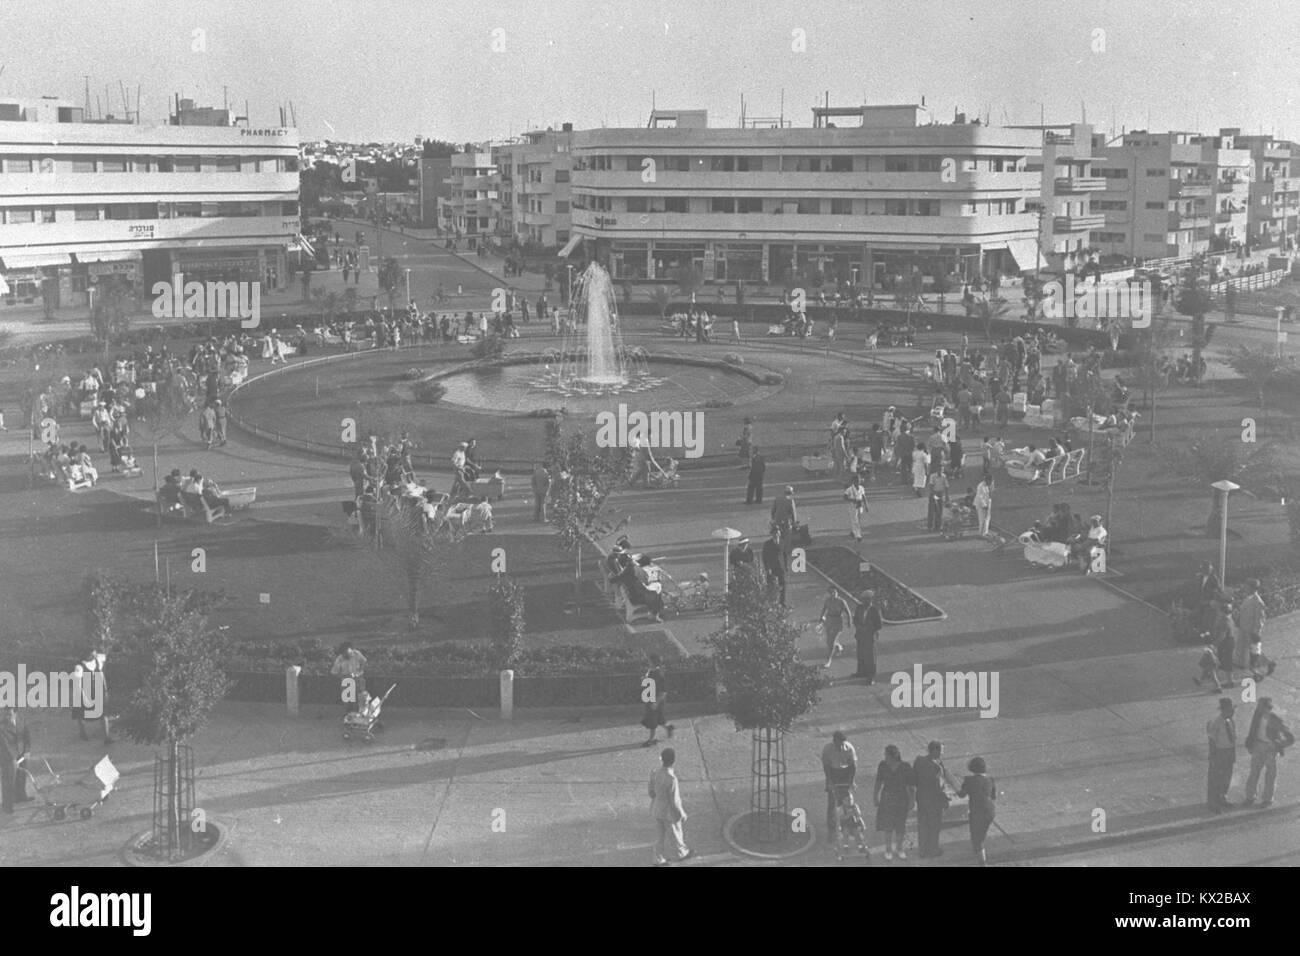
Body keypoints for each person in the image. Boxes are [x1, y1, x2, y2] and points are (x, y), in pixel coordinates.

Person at [1244, 698, 1294, 809]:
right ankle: (1250, 796)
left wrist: (1278, 744)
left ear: (1267, 707)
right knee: (1254, 772)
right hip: (1258, 745)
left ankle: (1267, 798)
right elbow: (1252, 730)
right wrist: (1250, 744)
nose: (1258, 708)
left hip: (1270, 749)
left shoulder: (1275, 719)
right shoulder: (1257, 716)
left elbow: (1290, 738)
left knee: (1270, 775)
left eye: (1261, 706)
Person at [649, 747, 692, 865]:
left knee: (659, 836)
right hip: (668, 812)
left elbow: (651, 792)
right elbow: (674, 800)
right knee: (676, 833)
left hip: (656, 808)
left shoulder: (654, 773)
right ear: (673, 761)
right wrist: (681, 813)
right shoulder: (671, 779)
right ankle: (681, 853)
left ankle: (658, 859)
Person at [873, 744, 913, 860]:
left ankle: (899, 848)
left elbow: (911, 786)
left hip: (902, 799)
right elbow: (878, 782)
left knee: (900, 826)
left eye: (887, 755)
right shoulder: (883, 766)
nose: (885, 757)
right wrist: (875, 797)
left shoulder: (905, 766)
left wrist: (912, 800)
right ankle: (888, 850)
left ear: (893, 756)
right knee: (888, 826)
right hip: (887, 798)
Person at [912, 741, 951, 858]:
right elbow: (939, 786)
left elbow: (914, 778)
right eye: (940, 751)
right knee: (934, 827)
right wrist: (946, 798)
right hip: (935, 801)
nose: (942, 754)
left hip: (921, 798)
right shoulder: (936, 767)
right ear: (934, 750)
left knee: (922, 825)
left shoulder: (918, 760)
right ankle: (933, 850)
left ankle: (922, 850)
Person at [959, 757, 997, 865]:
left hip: (976, 812)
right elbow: (994, 796)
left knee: (976, 837)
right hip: (990, 811)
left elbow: (961, 794)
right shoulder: (990, 779)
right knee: (981, 834)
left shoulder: (969, 780)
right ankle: (979, 851)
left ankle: (982, 861)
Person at [821, 730, 857, 842]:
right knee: (832, 804)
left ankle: (850, 828)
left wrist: (851, 781)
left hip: (845, 773)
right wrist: (830, 781)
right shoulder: (827, 749)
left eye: (842, 743)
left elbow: (853, 766)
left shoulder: (849, 748)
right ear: (834, 741)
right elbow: (826, 766)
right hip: (833, 773)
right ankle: (831, 831)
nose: (840, 746)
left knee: (847, 802)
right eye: (838, 743)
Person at [1237, 579, 1274, 680]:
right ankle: (1266, 664)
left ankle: (1258, 670)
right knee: (1252, 651)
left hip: (1251, 631)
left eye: (1247, 587)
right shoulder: (1248, 598)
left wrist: (1256, 633)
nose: (1245, 588)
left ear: (1253, 588)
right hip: (1244, 628)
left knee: (1253, 652)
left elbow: (1260, 619)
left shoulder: (1258, 602)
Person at [72, 649, 111, 743]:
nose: (94, 654)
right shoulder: (79, 667)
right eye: (91, 653)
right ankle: (83, 732)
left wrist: (105, 690)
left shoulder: (98, 660)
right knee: (80, 713)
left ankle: (107, 737)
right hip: (85, 691)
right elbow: (78, 684)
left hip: (97, 689)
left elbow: (101, 675)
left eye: (94, 652)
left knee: (103, 713)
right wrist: (83, 697)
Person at [1206, 697, 1237, 813]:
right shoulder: (1216, 723)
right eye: (1230, 710)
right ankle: (1213, 803)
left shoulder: (1231, 721)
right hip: (1219, 752)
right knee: (1216, 778)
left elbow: (1233, 738)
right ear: (1223, 710)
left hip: (1229, 751)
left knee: (1227, 776)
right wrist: (1213, 756)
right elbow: (1212, 740)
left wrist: (1233, 753)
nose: (1232, 712)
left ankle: (1222, 797)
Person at [0, 707, 32, 813]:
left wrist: (27, 751)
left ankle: (21, 796)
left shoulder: (22, 721)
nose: (7, 717)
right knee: (9, 781)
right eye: (6, 715)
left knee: (22, 776)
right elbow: (5, 745)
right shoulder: (2, 726)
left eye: (9, 714)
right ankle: (7, 806)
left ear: (15, 713)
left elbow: (28, 736)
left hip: (21, 753)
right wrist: (13, 759)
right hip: (8, 756)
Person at [640, 655, 675, 746]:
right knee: (659, 719)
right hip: (651, 698)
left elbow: (663, 691)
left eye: (649, 661)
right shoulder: (651, 671)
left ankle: (651, 739)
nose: (648, 663)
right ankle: (668, 728)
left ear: (653, 662)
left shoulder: (659, 674)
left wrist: (656, 702)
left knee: (652, 720)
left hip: (656, 700)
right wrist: (644, 680)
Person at [852, 589, 882, 683]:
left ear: (871, 600)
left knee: (870, 657)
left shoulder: (875, 610)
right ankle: (861, 672)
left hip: (870, 636)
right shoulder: (859, 607)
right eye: (863, 599)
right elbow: (855, 619)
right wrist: (859, 627)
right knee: (860, 654)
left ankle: (871, 677)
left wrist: (868, 629)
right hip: (860, 635)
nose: (864, 601)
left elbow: (879, 625)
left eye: (867, 599)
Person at [819, 586, 852, 668]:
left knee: (832, 641)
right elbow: (824, 609)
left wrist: (849, 621)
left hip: (837, 621)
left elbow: (848, 612)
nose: (833, 594)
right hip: (829, 620)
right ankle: (837, 646)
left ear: (837, 592)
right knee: (828, 641)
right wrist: (821, 617)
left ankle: (828, 660)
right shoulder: (828, 600)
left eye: (835, 592)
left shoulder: (841, 601)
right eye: (831, 592)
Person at [330, 643, 368, 713]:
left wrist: (359, 671)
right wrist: (344, 677)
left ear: (351, 650)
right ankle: (348, 714)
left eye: (349, 653)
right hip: (347, 680)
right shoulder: (340, 659)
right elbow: (334, 672)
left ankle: (361, 713)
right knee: (347, 700)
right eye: (345, 654)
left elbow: (364, 662)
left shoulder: (357, 654)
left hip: (358, 679)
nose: (348, 655)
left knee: (360, 697)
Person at [770, 486, 797, 567]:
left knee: (777, 537)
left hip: (777, 521)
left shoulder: (777, 498)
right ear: (790, 493)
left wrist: (774, 518)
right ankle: (785, 553)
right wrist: (795, 523)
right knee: (787, 538)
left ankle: (777, 551)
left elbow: (773, 510)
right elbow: (793, 513)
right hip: (786, 522)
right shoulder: (790, 500)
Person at [761, 527, 786, 606]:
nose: (776, 535)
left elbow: (784, 555)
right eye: (774, 533)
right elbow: (765, 557)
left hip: (781, 568)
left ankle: (782, 602)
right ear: (771, 534)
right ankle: (771, 602)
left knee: (782, 585)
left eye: (777, 533)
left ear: (780, 534)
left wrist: (786, 566)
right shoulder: (767, 544)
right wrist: (767, 568)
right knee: (771, 585)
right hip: (771, 568)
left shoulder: (782, 542)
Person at [844, 473, 867, 540]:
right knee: (855, 520)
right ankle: (858, 535)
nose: (857, 481)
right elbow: (844, 498)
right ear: (853, 481)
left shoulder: (861, 488)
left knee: (858, 520)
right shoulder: (849, 489)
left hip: (860, 506)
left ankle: (853, 532)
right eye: (856, 480)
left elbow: (864, 497)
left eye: (858, 480)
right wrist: (853, 500)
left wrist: (866, 505)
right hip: (852, 507)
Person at [926, 467, 950, 533]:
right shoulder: (933, 476)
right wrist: (934, 495)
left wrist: (947, 496)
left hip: (940, 494)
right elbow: (931, 486)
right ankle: (929, 526)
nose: (940, 471)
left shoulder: (943, 476)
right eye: (939, 470)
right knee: (932, 510)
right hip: (933, 493)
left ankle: (938, 526)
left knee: (939, 510)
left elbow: (946, 486)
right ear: (937, 470)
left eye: (942, 470)